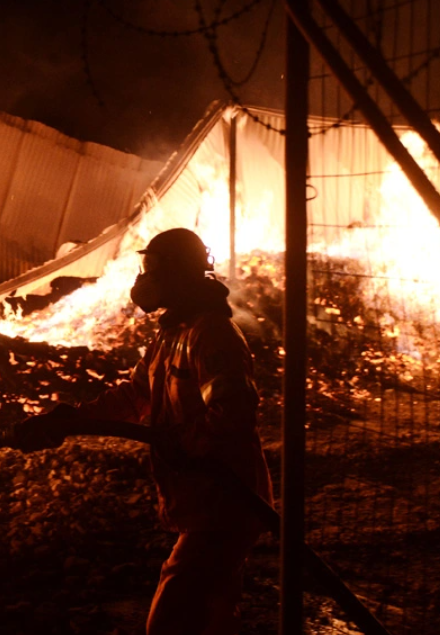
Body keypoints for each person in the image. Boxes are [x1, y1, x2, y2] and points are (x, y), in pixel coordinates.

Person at [14, 228, 274, 635]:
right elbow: (136, 396)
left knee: (170, 620)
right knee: (213, 617)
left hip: (227, 502)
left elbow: (234, 412)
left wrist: (182, 440)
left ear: (178, 275)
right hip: (203, 502)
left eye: (150, 270)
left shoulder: (211, 335)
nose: (142, 281)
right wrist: (69, 419)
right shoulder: (172, 334)